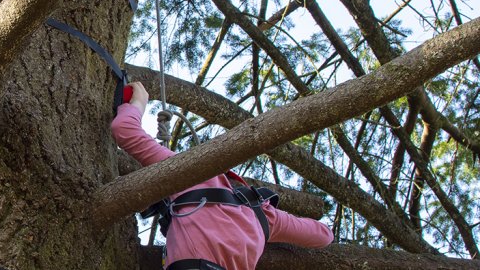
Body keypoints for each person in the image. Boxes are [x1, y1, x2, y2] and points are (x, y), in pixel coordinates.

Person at [110, 82, 333, 270]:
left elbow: (125, 128)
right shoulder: (264, 216)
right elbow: (323, 235)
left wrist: (138, 101)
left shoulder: (189, 175)